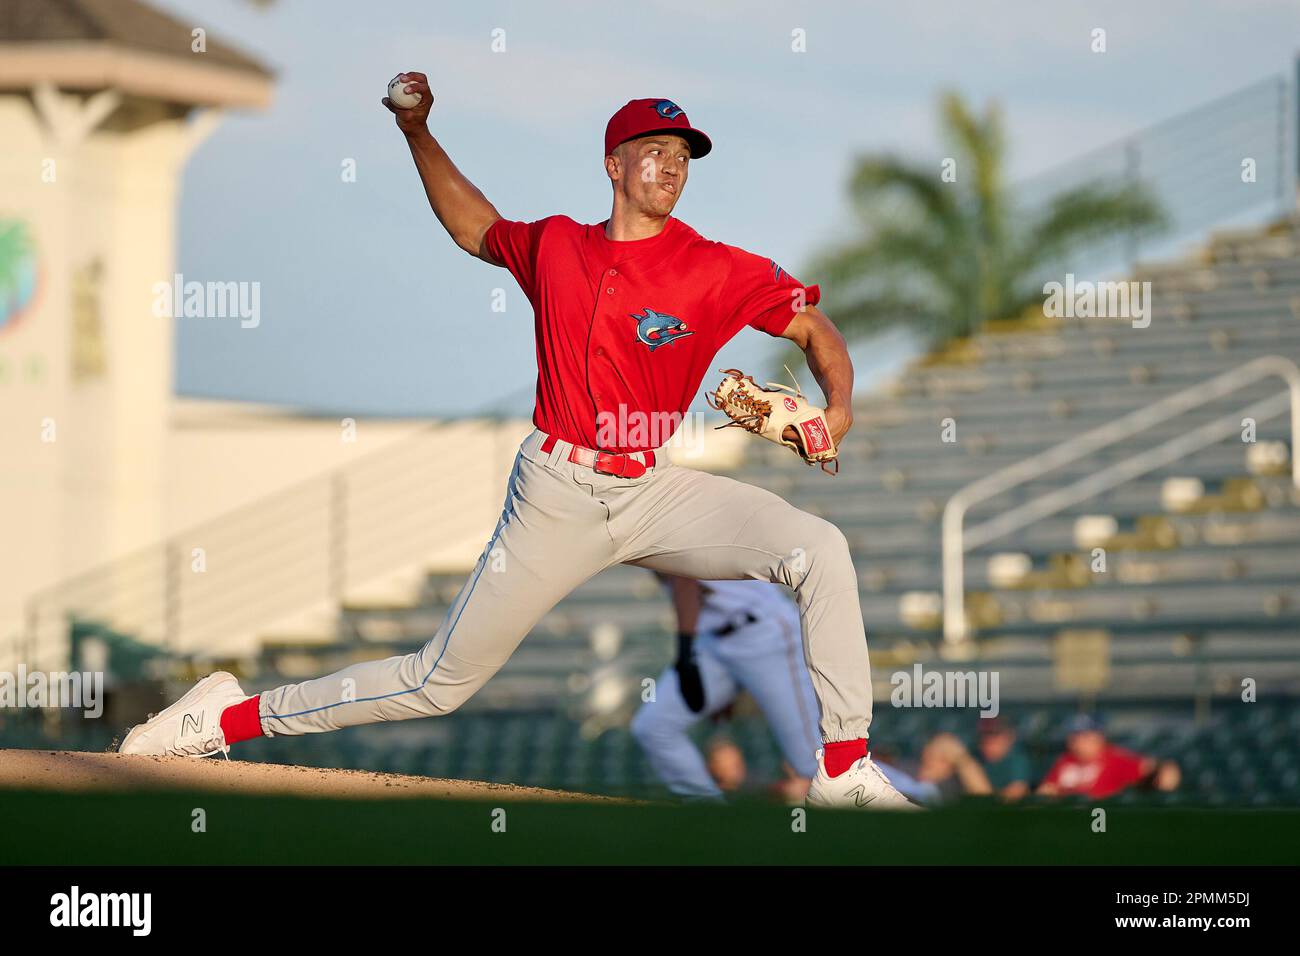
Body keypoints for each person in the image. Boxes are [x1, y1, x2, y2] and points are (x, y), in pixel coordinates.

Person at [116, 77, 911, 810]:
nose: (672, 166)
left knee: (818, 549)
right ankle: (225, 718)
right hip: (557, 493)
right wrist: (416, 130)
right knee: (437, 683)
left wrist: (837, 408)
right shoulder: (559, 246)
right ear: (614, 163)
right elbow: (475, 226)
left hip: (652, 489)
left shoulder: (713, 266)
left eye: (682, 156)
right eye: (655, 151)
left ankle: (842, 767)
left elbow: (811, 324)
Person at [630, 575, 825, 802]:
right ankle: (707, 811)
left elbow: (685, 580)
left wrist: (685, 654)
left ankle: (874, 790)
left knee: (809, 760)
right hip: (712, 639)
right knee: (654, 725)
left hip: (762, 630)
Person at [1036, 714, 1174, 799]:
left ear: (1099, 737)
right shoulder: (1066, 760)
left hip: (1103, 820)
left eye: (1083, 736)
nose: (1076, 742)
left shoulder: (1115, 759)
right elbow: (1046, 790)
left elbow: (1165, 771)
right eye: (1074, 736)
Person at [976, 717, 1033, 801]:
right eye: (984, 737)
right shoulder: (976, 758)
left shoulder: (1017, 760)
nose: (988, 742)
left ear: (1010, 738)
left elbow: (1016, 791)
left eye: (995, 736)